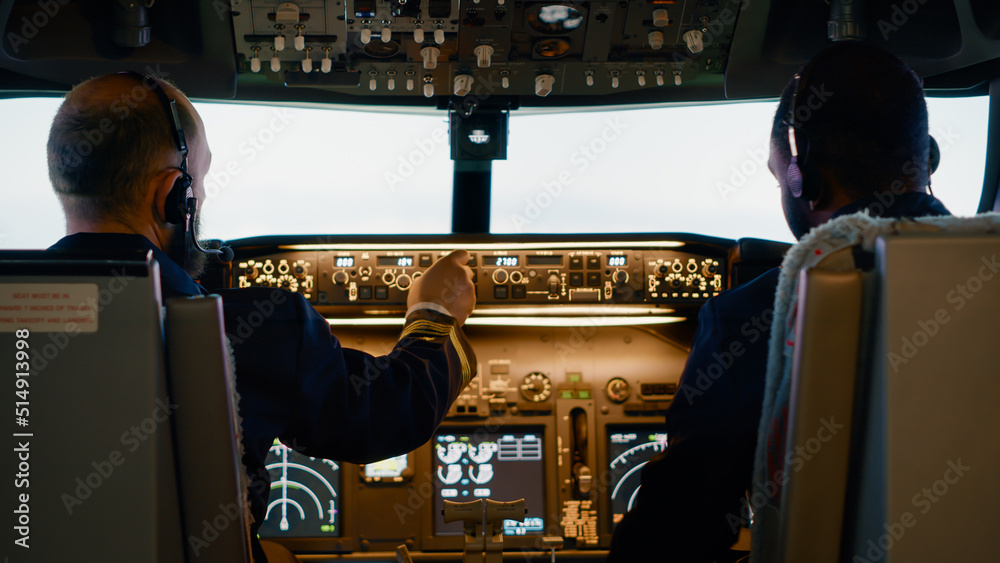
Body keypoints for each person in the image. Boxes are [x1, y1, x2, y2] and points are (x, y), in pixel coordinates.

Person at [45, 71, 477, 562]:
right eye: (200, 182)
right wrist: (435, 314)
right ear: (174, 194)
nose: (199, 198)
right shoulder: (248, 328)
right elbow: (388, 413)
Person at [607, 42, 950, 562]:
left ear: (801, 174)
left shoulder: (762, 314)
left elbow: (666, 544)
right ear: (924, 157)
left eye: (779, 175)